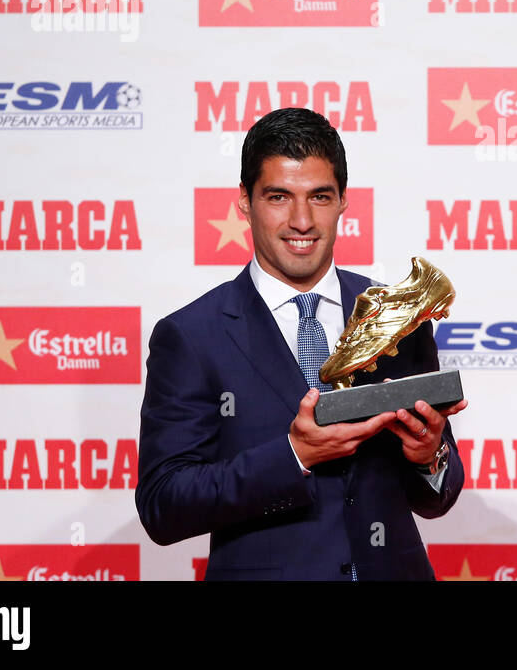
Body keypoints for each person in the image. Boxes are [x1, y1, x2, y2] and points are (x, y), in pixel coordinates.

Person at [135, 107, 466, 580]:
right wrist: (294, 455)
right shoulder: (191, 336)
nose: (302, 220)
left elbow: (439, 496)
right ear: (245, 203)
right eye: (278, 197)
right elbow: (163, 505)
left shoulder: (397, 316)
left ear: (343, 202)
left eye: (319, 196)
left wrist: (427, 456)